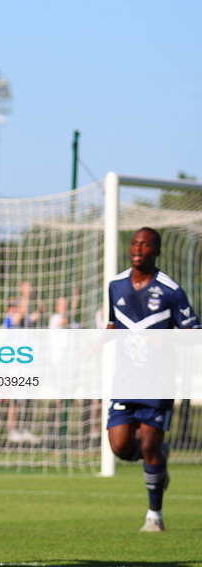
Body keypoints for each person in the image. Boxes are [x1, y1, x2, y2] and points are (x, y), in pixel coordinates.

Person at [105, 227, 198, 533]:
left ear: (155, 251)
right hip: (123, 379)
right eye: (134, 244)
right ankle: (156, 458)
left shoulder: (171, 290)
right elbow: (112, 324)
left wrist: (168, 343)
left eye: (145, 245)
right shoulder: (116, 285)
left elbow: (192, 333)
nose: (137, 249)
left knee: (149, 442)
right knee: (120, 446)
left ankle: (154, 515)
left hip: (157, 381)